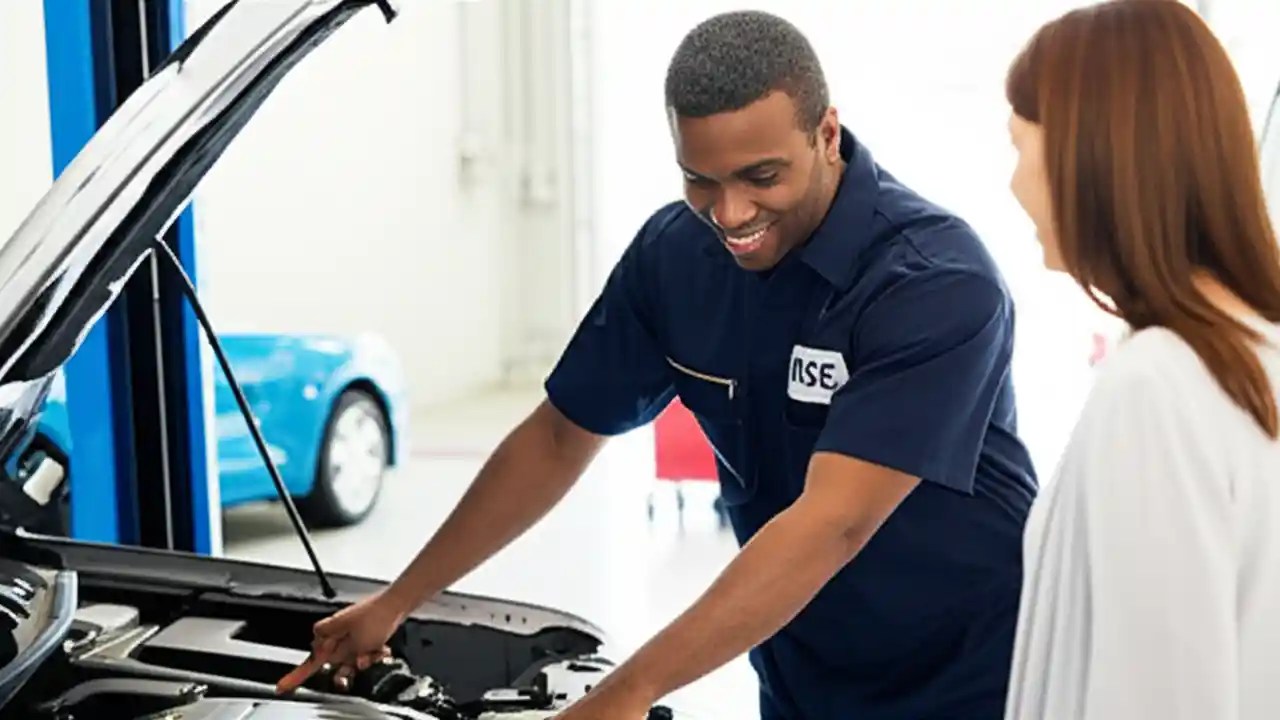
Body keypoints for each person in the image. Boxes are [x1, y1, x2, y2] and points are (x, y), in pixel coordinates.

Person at [277, 10, 1038, 719]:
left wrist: (630, 691)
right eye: (701, 179)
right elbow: (557, 439)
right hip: (803, 677)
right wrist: (399, 599)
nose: (731, 213)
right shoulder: (677, 257)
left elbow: (830, 525)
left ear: (827, 133)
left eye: (761, 177)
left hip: (977, 679)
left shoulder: (934, 283)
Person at [1001, 1, 1280, 717]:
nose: (1014, 185)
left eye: (1020, 147)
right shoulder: (1249, 352)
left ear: (1090, 154)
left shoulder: (1157, 384)